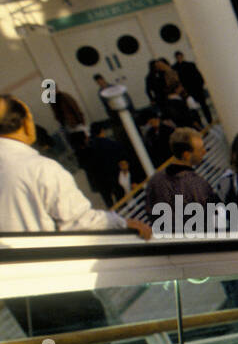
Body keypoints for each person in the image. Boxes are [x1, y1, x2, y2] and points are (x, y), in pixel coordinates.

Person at [0, 94, 151, 238]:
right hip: (39, 261)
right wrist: (123, 223)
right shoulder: (41, 169)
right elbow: (79, 222)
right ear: (27, 124)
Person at [144, 127, 214, 229]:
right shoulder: (196, 184)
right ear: (187, 155)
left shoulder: (155, 181)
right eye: (200, 150)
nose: (204, 152)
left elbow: (150, 212)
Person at [172, 51, 211, 124]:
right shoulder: (175, 68)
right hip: (186, 90)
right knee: (192, 108)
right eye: (178, 57)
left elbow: (198, 75)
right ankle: (199, 123)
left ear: (182, 56)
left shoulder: (190, 65)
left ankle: (210, 120)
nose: (179, 58)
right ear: (176, 58)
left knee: (204, 105)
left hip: (196, 87)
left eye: (180, 56)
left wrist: (201, 84)